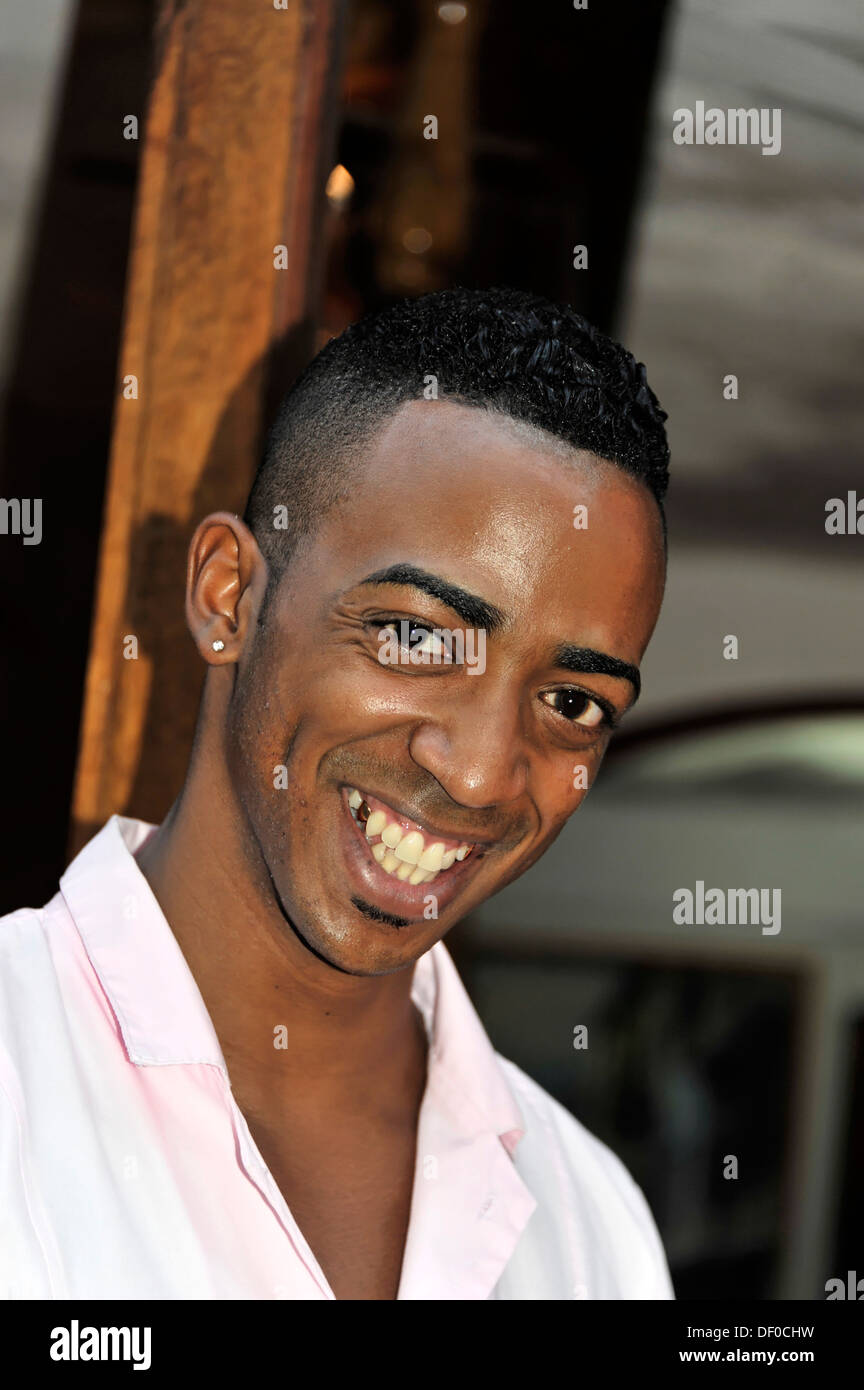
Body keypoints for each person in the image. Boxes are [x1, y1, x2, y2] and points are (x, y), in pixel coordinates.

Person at [0, 287, 673, 1300]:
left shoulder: (591, 1226)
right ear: (230, 594)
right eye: (415, 635)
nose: (482, 768)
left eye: (572, 700)